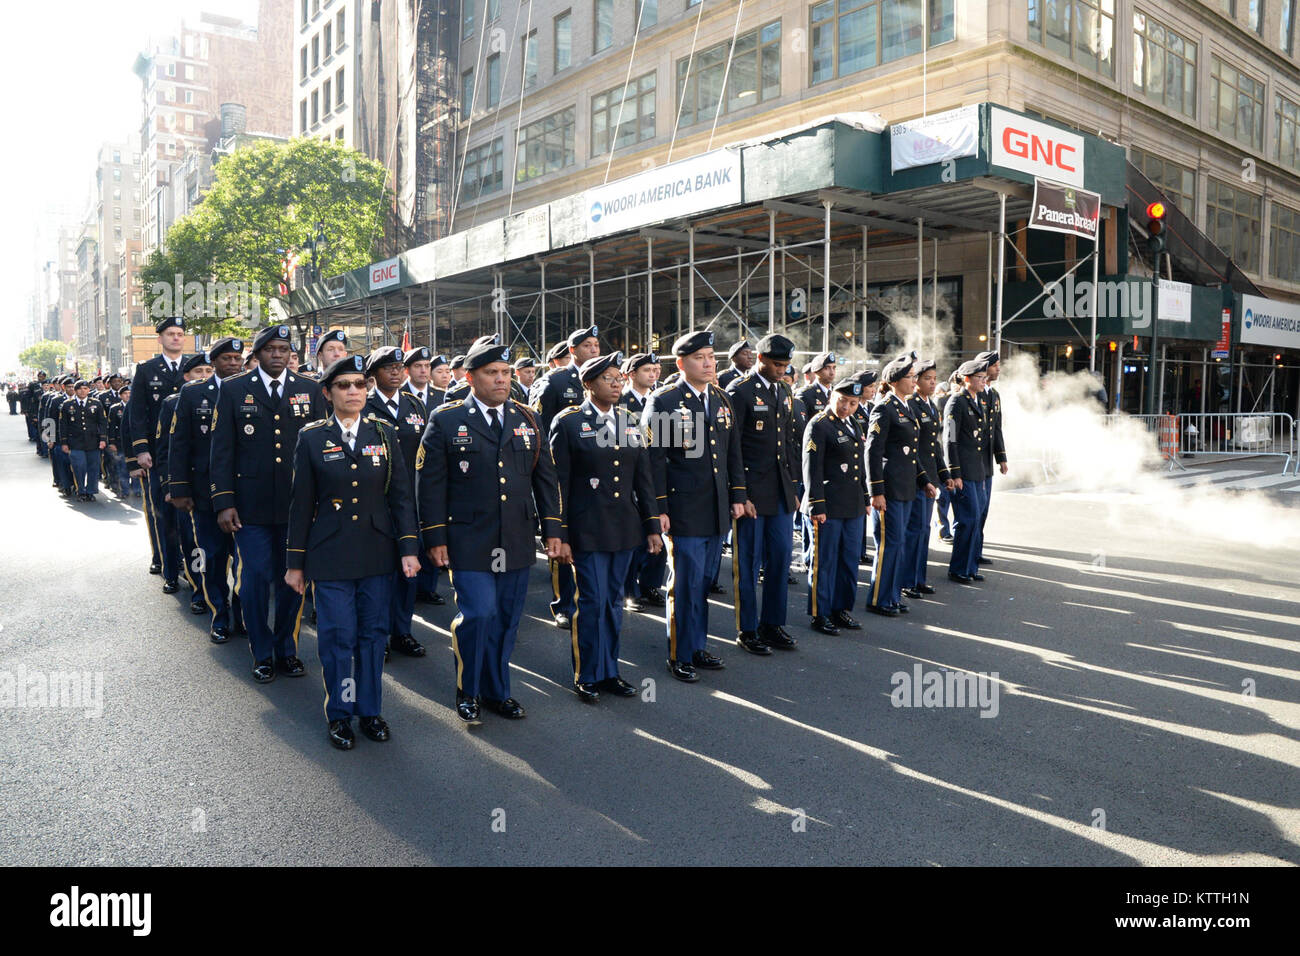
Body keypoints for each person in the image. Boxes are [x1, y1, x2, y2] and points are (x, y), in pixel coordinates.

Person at [416, 341, 564, 723]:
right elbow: (430, 485)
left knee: (505, 621)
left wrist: (553, 529)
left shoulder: (528, 418)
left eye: (505, 373)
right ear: (470, 378)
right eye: (491, 373)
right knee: (479, 614)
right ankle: (468, 689)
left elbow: (545, 479)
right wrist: (434, 537)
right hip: (468, 539)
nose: (501, 380)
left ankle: (498, 691)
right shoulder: (446, 420)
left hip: (514, 536)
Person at [285, 355, 419, 750]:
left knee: (373, 635)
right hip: (329, 555)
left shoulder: (384, 433)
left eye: (360, 384)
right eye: (344, 385)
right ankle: (341, 713)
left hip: (377, 552)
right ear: (327, 393)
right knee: (338, 636)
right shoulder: (311, 438)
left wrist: (408, 548)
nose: (354, 391)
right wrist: (296, 563)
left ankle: (371, 711)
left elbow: (400, 497)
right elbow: (301, 504)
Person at [210, 324, 327, 684]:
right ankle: (261, 650)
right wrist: (224, 501)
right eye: (270, 349)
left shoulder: (308, 390)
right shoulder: (233, 389)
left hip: (297, 507)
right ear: (257, 354)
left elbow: (322, 448)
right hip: (251, 507)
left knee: (293, 580)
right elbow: (222, 451)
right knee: (256, 579)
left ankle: (286, 648)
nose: (278, 354)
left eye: (283, 349)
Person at [550, 353, 662, 703]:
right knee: (593, 602)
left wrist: (652, 526)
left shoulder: (630, 421)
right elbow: (559, 484)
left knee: (614, 602)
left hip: (624, 529)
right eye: (608, 379)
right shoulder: (568, 423)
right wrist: (560, 534)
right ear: (588, 384)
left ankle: (609, 670)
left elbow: (643, 480)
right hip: (587, 529)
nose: (616, 384)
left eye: (618, 378)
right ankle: (586, 673)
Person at [643, 330, 747, 683]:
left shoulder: (719, 398)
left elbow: (733, 452)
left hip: (716, 508)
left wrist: (737, 496)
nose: (708, 363)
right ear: (681, 362)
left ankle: (697, 646)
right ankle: (680, 653)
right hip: (683, 509)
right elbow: (656, 460)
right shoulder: (667, 401)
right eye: (700, 357)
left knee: (703, 583)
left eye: (711, 356)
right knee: (685, 583)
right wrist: (659, 509)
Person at [726, 333, 800, 655]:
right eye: (777, 364)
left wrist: (794, 488)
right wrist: (740, 495)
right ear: (760, 360)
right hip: (752, 493)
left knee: (781, 558)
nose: (782, 370)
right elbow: (732, 449)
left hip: (781, 492)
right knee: (749, 561)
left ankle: (773, 623)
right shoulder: (739, 392)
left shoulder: (784, 390)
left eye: (785, 365)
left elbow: (788, 444)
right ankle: (748, 628)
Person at [168, 338, 246, 643]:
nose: (233, 364)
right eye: (226, 358)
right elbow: (180, 444)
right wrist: (179, 488)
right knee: (212, 557)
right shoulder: (193, 393)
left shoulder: (247, 389)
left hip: (243, 490)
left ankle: (242, 613)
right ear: (212, 362)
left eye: (237, 358)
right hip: (203, 492)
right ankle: (220, 614)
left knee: (245, 563)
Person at [531, 325, 601, 629]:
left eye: (596, 345)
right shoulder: (554, 382)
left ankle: (590, 596)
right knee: (561, 532)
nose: (594, 350)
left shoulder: (604, 379)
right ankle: (562, 602)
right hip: (563, 471)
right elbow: (538, 430)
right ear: (572, 351)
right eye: (587, 346)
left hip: (596, 471)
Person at [364, 345, 428, 659]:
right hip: (376, 502)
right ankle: (380, 635)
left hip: (410, 502)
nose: (395, 372)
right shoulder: (365, 405)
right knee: (379, 573)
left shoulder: (415, 405)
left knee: (408, 570)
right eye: (387, 367)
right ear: (374, 374)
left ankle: (402, 630)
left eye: (398, 367)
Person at [865, 355, 938, 617]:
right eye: (909, 377)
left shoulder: (905, 407)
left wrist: (925, 480)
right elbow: (872, 453)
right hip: (891, 489)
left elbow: (912, 453)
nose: (914, 381)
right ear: (894, 381)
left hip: (907, 487)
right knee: (889, 544)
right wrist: (876, 491)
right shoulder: (884, 408)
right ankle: (878, 598)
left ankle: (893, 595)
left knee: (900, 545)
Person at [802, 376, 871, 635]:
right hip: (828, 505)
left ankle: (841, 608)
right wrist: (816, 505)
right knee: (825, 561)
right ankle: (820, 613)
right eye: (842, 401)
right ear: (832, 397)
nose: (846, 408)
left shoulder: (853, 422)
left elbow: (858, 465)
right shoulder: (819, 425)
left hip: (851, 504)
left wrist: (865, 497)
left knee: (848, 560)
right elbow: (812, 470)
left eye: (853, 403)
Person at [127, 316, 188, 579]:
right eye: (170, 334)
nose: (176, 337)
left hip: (188, 453)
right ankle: (168, 565)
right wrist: (140, 450)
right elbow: (137, 414)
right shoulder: (146, 369)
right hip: (157, 455)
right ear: (160, 339)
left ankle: (190, 565)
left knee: (189, 514)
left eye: (180, 334)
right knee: (162, 512)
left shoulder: (195, 367)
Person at [155, 352, 213, 602]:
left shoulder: (227, 396)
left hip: (221, 483)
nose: (204, 376)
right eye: (198, 372)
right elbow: (166, 449)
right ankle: (200, 589)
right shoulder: (172, 403)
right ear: (186, 376)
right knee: (192, 541)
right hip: (190, 484)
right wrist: (172, 486)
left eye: (208, 372)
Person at [619, 353, 667, 612]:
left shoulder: (661, 400)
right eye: (647, 369)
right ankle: (630, 590)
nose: (653, 374)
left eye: (656, 369)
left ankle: (650, 585)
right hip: (631, 477)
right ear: (631, 374)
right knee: (634, 538)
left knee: (657, 534)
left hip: (656, 476)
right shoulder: (620, 402)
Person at [901, 359, 947, 601]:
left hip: (930, 477)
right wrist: (924, 479)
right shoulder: (911, 406)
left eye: (934, 378)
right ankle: (907, 580)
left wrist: (945, 474)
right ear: (915, 381)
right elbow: (914, 449)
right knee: (914, 530)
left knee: (924, 530)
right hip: (917, 479)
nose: (932, 382)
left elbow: (935, 446)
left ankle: (919, 578)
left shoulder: (932, 406)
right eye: (927, 378)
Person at [943, 360, 990, 584]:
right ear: (967, 379)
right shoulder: (956, 402)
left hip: (976, 470)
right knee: (967, 520)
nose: (984, 381)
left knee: (976, 519)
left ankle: (970, 566)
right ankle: (959, 567)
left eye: (984, 377)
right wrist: (954, 472)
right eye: (980, 377)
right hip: (963, 471)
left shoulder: (977, 399)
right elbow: (950, 439)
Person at [974, 350, 1008, 565]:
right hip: (973, 463)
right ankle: (967, 554)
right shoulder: (972, 393)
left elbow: (997, 429)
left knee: (983, 510)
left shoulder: (994, 395)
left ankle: (976, 550)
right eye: (995, 365)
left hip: (987, 461)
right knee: (972, 513)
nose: (998, 369)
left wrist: (1001, 457)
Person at [59, 379, 108, 503]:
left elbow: (102, 422)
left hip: (93, 441)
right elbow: (63, 424)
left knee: (93, 467)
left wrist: (103, 439)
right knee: (78, 467)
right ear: (75, 390)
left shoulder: (96, 403)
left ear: (89, 390)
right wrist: (64, 442)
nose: (83, 391)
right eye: (80, 389)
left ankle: (91, 491)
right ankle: (80, 490)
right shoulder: (67, 404)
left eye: (85, 388)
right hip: (75, 442)